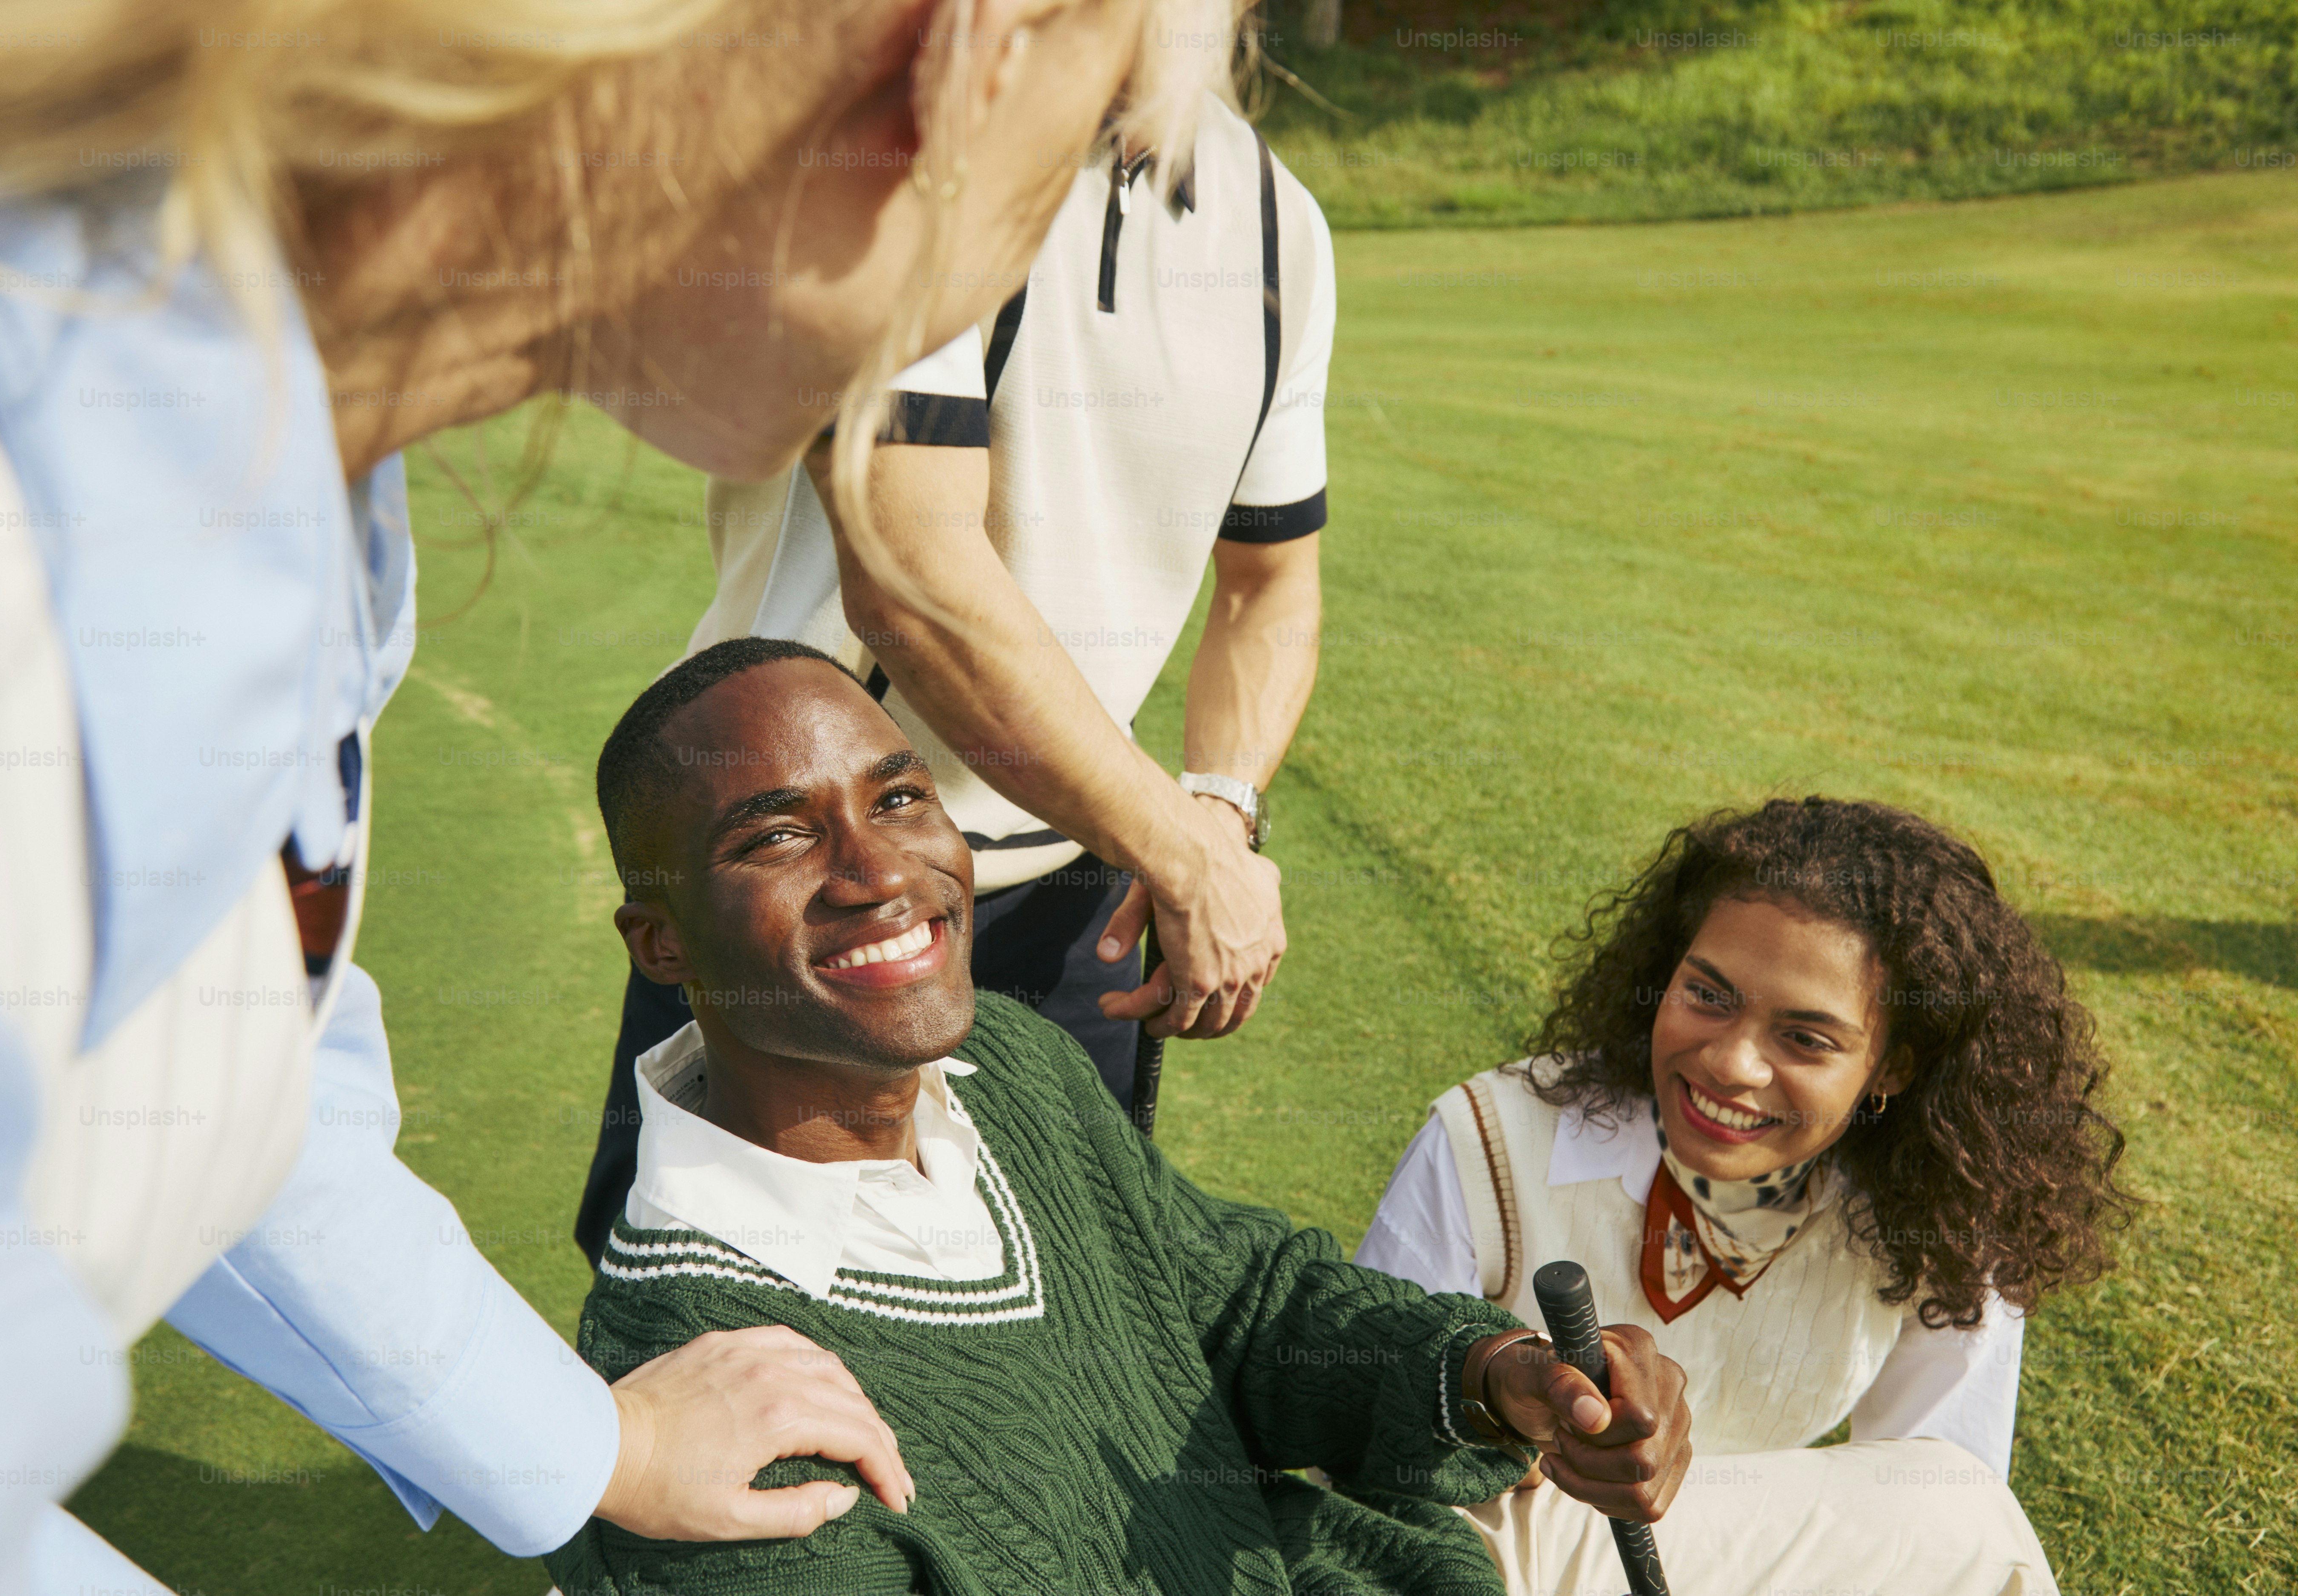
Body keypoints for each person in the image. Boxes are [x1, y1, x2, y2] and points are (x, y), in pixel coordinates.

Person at [0, 2, 1242, 1587]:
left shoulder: (282, 477)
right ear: (970, 61)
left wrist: (575, 1439)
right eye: (1087, 158)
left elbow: (223, 1068)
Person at [544, 635, 1695, 1595]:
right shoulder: (698, 1395)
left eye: (899, 795)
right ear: (664, 940)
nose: (882, 869)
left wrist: (1494, 1373)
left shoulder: (1007, 1060)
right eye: (776, 834)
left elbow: (1240, 1303)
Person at [576, 86, 1337, 1259]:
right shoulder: (905, 149)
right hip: (802, 867)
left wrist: (1220, 810)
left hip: (1084, 887)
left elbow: (1270, 584)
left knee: (1070, 1310)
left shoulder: (1281, 224)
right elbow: (911, 566)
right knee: (726, 1328)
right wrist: (1178, 846)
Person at [1356, 797, 2131, 1596]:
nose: (1731, 1063)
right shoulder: (1490, 1140)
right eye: (1709, 994)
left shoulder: (1947, 1196)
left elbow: (1924, 1501)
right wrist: (1511, 1407)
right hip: (1478, 1561)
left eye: (1805, 1038)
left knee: (1963, 1510)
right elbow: (1360, 1439)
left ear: (1893, 1069)